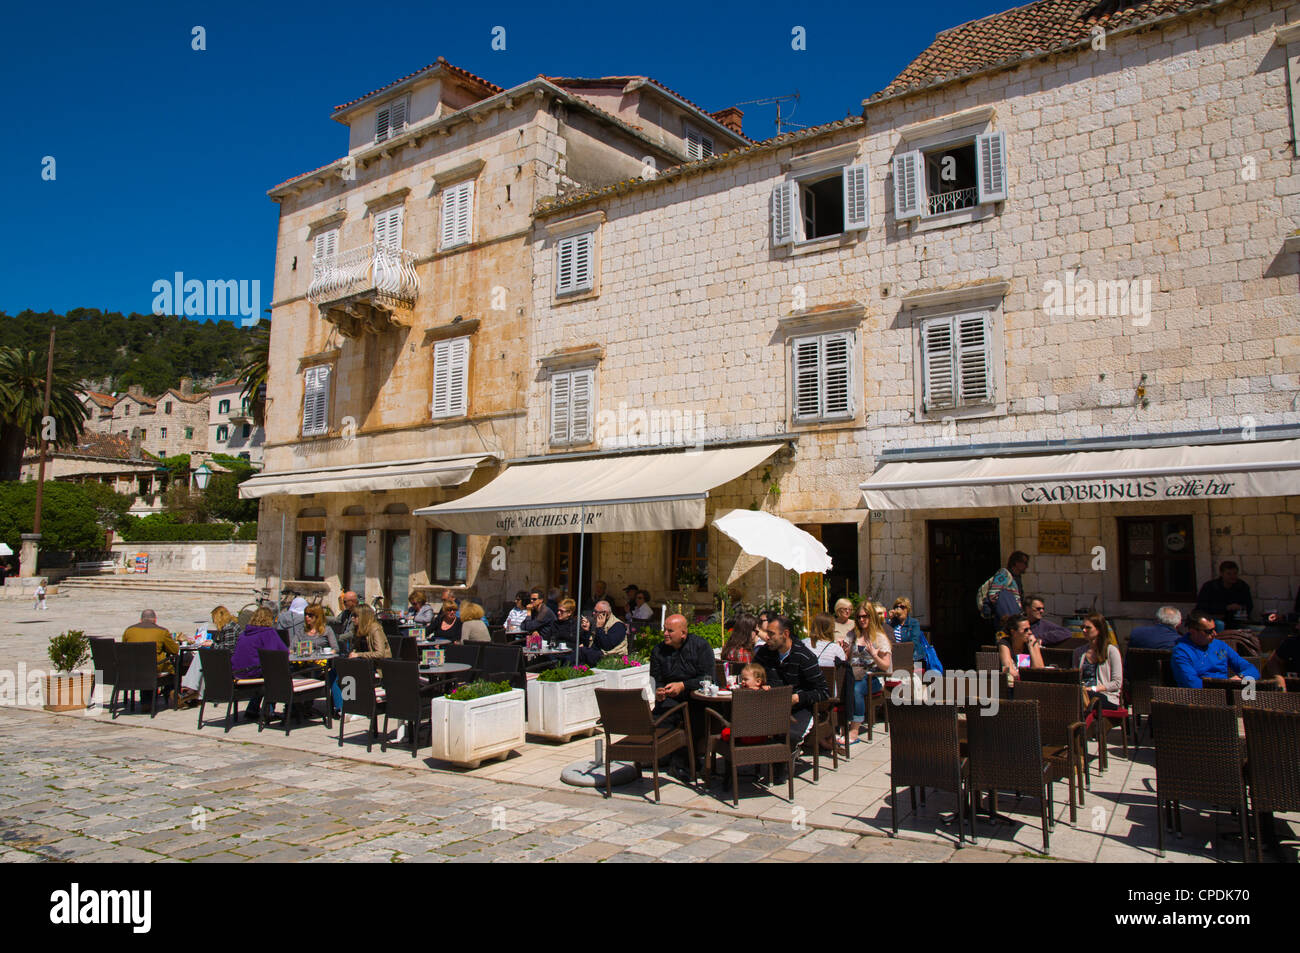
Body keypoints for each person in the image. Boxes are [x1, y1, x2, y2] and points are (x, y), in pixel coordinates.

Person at [754, 615, 830, 752]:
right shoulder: (765, 653)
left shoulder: (804, 656)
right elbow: (753, 672)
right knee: (739, 727)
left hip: (798, 709)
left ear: (786, 634)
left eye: (771, 634)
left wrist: (797, 698)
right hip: (769, 705)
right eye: (767, 633)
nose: (767, 637)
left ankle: (784, 766)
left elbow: (823, 691)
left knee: (785, 740)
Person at [649, 613, 714, 727]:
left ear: (683, 633)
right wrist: (659, 690)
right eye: (665, 630)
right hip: (670, 701)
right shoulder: (658, 650)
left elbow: (708, 678)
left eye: (670, 631)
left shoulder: (700, 646)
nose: (665, 634)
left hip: (697, 698)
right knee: (655, 724)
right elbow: (655, 678)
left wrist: (683, 685)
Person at [1170, 610, 1261, 688]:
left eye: (1215, 629)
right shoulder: (1181, 652)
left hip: (1228, 692)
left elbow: (1252, 669)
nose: (1215, 634)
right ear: (1193, 631)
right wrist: (1225, 686)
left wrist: (1240, 677)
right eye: (1208, 631)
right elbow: (1192, 685)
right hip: (1202, 699)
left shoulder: (1219, 645)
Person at [178, 606, 247, 700]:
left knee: (201, 657)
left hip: (231, 660)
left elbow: (229, 649)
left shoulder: (229, 628)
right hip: (229, 657)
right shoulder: (230, 625)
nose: (214, 622)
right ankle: (196, 692)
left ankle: (192, 689)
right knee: (203, 658)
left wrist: (212, 645)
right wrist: (213, 644)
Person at [231, 607, 287, 720]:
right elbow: (280, 653)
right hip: (253, 673)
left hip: (237, 673)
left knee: (266, 671)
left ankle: (252, 708)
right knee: (276, 672)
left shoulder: (244, 633)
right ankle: (269, 711)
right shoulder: (268, 633)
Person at [848, 603, 891, 741]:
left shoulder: (879, 638)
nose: (862, 620)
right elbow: (846, 658)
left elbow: (885, 666)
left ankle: (854, 729)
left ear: (871, 617)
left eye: (865, 616)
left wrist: (874, 655)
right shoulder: (852, 635)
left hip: (873, 678)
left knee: (856, 689)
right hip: (853, 674)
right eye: (859, 617)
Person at [1074, 613, 1123, 714]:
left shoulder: (1111, 651)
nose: (1084, 630)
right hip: (1082, 693)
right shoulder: (1079, 652)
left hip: (1105, 696)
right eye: (1082, 627)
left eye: (1088, 628)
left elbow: (1117, 683)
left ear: (1099, 629)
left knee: (1083, 697)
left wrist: (1093, 689)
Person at [886, 597, 943, 673]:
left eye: (902, 607)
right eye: (896, 607)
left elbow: (914, 642)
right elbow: (885, 637)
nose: (899, 609)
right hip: (894, 657)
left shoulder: (913, 623)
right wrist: (889, 619)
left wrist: (900, 651)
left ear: (907, 610)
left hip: (913, 658)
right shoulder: (891, 623)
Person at [123, 609, 180, 679]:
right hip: (154, 669)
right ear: (155, 620)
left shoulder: (129, 630)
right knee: (173, 667)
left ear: (140, 620)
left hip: (132, 669)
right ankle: (169, 689)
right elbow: (174, 650)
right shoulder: (162, 631)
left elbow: (124, 649)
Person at [1195, 560, 1254, 626]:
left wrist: (1240, 608)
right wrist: (1226, 607)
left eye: (1235, 573)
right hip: (1214, 620)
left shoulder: (1242, 586)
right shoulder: (1210, 587)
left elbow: (1249, 606)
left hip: (1236, 620)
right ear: (1221, 574)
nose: (1233, 576)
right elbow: (1202, 607)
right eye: (1229, 574)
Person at [979, 552, 1029, 620]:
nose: (1027, 566)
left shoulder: (1017, 578)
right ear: (1017, 563)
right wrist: (1003, 611)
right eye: (1025, 563)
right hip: (1004, 617)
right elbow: (993, 594)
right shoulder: (1004, 574)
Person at [578, 600, 628, 666]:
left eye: (596, 612)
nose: (593, 613)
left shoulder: (618, 626)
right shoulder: (597, 623)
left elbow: (607, 646)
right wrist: (586, 631)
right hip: (597, 654)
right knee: (578, 650)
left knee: (582, 652)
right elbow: (589, 644)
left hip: (611, 657)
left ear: (605, 613)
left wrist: (599, 628)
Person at [997, 613, 1044, 680]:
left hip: (1030, 684)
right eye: (1026, 630)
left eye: (1030, 629)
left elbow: (1040, 671)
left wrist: (1032, 649)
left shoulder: (1032, 643)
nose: (1030, 632)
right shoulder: (1005, 643)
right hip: (1012, 684)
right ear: (1013, 632)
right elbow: (1008, 670)